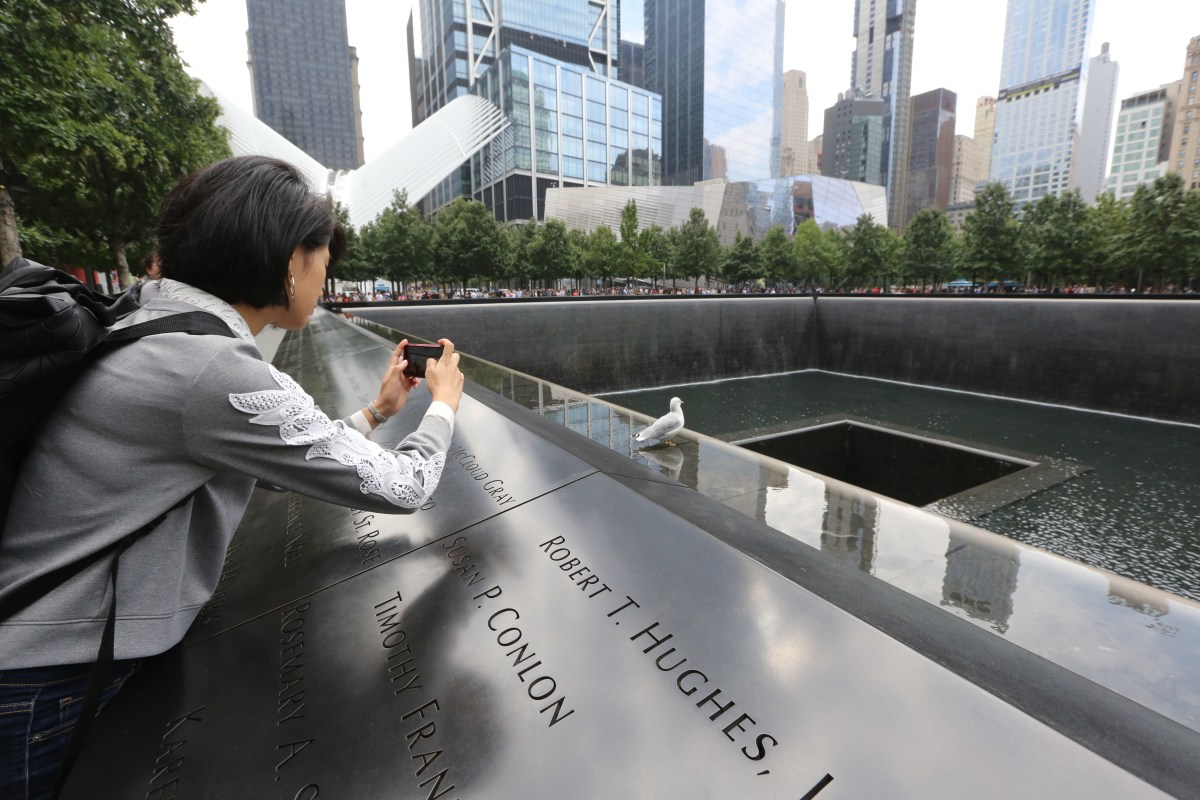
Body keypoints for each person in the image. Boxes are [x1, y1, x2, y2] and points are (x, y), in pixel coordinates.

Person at [0, 155, 465, 799]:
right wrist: (444, 403)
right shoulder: (214, 369)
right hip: (43, 685)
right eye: (322, 256)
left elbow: (267, 462)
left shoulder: (150, 320)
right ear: (285, 259)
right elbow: (407, 487)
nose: (326, 272)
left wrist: (379, 410)